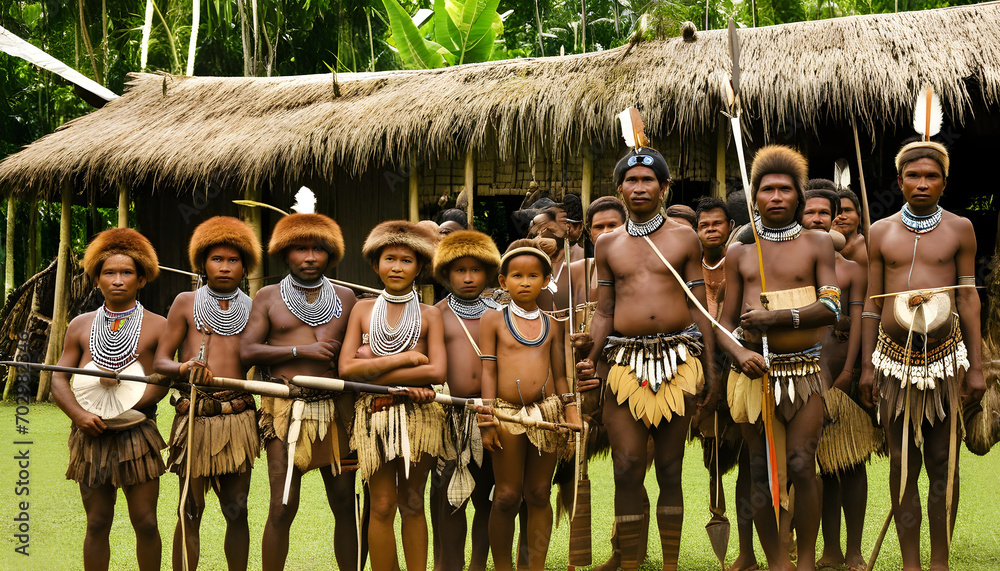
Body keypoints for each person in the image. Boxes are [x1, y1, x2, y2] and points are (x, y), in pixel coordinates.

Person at [577, 147, 720, 571]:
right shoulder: (608, 244)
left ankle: (671, 565)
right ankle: (630, 564)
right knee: (626, 466)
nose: (640, 188)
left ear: (664, 187)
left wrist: (710, 370)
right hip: (623, 363)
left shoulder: (684, 237)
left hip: (679, 360)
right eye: (632, 180)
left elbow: (698, 308)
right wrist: (588, 354)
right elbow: (604, 312)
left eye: (648, 180)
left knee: (671, 469)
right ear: (619, 187)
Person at [860, 140, 985, 571]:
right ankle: (911, 562)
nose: (921, 183)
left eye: (931, 176)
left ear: (945, 184)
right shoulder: (880, 231)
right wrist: (865, 366)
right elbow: (872, 305)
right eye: (913, 175)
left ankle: (940, 562)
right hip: (893, 362)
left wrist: (977, 366)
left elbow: (968, 297)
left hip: (947, 361)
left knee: (942, 460)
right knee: (902, 461)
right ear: (899, 181)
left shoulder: (960, 228)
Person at [722, 145, 839, 571]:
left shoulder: (818, 244)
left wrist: (778, 316)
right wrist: (738, 354)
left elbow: (831, 308)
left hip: (805, 372)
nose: (776, 197)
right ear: (755, 198)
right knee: (760, 469)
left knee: (801, 464)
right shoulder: (740, 253)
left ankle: (804, 561)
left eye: (785, 190)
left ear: (798, 198)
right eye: (767, 189)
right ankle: (776, 563)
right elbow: (724, 321)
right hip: (755, 375)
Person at [240, 211, 359, 571]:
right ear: (284, 254)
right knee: (282, 505)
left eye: (318, 249)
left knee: (344, 503)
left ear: (331, 254)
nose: (310, 257)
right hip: (284, 410)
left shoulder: (347, 297)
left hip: (336, 411)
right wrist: (298, 351)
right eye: (300, 249)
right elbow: (248, 350)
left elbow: (357, 352)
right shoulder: (267, 296)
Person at [51, 228, 168, 571]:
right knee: (97, 522)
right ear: (96, 279)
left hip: (138, 434)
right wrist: (79, 416)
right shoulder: (79, 325)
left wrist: (127, 409)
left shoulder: (159, 325)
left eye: (127, 272)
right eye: (109, 273)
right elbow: (59, 377)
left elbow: (163, 378)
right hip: (91, 432)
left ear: (142, 279)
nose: (118, 280)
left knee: (145, 522)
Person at [154, 216, 262, 571]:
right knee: (189, 507)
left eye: (233, 260)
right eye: (217, 259)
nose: (226, 267)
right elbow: (160, 361)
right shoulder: (186, 302)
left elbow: (263, 358)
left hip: (239, 416)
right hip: (196, 414)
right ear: (203, 263)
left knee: (238, 510)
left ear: (245, 265)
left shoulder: (255, 307)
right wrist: (183, 368)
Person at [339, 220, 447, 571]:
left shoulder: (431, 315)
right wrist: (404, 358)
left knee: (413, 501)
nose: (397, 267)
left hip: (419, 415)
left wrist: (373, 364)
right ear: (375, 265)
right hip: (374, 413)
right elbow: (345, 370)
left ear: (420, 268)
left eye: (406, 260)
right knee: (382, 504)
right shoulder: (362, 309)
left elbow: (435, 372)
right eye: (389, 258)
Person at [478, 240, 580, 571]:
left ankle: (534, 566)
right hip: (504, 414)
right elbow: (488, 370)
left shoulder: (553, 325)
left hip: (544, 414)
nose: (525, 282)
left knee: (538, 493)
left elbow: (561, 377)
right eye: (517, 276)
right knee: (507, 495)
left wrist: (570, 409)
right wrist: (487, 417)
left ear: (546, 279)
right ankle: (503, 567)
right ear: (502, 281)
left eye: (534, 275)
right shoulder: (493, 320)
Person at [801, 185, 871, 571]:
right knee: (820, 466)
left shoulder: (852, 270)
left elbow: (859, 321)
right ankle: (828, 549)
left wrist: (848, 372)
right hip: (806, 376)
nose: (817, 220)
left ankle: (854, 549)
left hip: (845, 378)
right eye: (809, 213)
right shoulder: (792, 265)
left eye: (826, 213)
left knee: (852, 461)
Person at [430, 229, 502, 571]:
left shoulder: (503, 314)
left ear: (489, 273)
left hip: (491, 417)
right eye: (460, 270)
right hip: (448, 418)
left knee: (488, 498)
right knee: (449, 500)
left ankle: (478, 566)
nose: (469, 278)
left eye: (476, 270)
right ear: (445, 274)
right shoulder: (435, 315)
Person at [695, 197, 735, 319]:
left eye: (717, 223)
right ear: (696, 229)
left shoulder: (740, 263)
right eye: (704, 225)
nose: (711, 229)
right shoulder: (692, 266)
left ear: (730, 225)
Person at [833, 187, 868, 267]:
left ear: (859, 218)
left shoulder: (869, 246)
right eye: (838, 211)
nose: (842, 216)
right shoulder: (821, 245)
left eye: (847, 210)